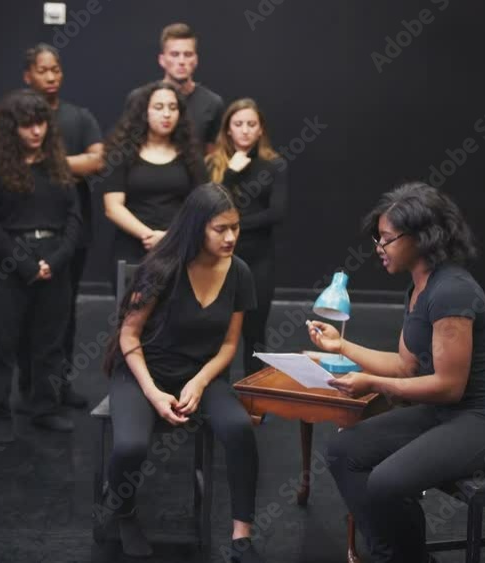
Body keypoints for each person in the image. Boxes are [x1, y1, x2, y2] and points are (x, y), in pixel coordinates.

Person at [312, 183, 485, 563]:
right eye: (378, 239)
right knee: (342, 450)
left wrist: (371, 383)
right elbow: (405, 367)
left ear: (421, 238)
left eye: (387, 239)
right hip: (450, 413)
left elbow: (449, 387)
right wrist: (341, 347)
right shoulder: (417, 287)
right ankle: (393, 557)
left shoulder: (452, 291)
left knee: (387, 481)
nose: (378, 248)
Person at [100, 184, 265, 562]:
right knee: (130, 446)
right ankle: (123, 511)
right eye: (220, 229)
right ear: (197, 228)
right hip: (143, 370)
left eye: (235, 228)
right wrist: (154, 392)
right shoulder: (162, 267)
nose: (230, 237)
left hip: (200, 373)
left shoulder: (239, 273)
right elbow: (128, 334)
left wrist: (201, 380)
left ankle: (242, 536)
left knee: (239, 429)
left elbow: (228, 345)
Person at [0, 90, 81, 437]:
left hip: (54, 260)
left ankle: (45, 408)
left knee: (50, 343)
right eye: (27, 125)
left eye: (41, 124)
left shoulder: (58, 165)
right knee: (1, 344)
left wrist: (56, 260)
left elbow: (74, 219)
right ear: (12, 128)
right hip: (8, 263)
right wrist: (24, 264)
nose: (36, 131)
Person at [22, 43, 103, 410]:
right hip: (24, 231)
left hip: (72, 232)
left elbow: (97, 160)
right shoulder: (15, 115)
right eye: (43, 70)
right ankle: (28, 388)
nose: (51, 76)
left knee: (64, 312)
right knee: (27, 311)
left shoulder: (79, 117)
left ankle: (59, 384)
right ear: (28, 76)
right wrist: (70, 164)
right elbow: (3, 162)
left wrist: (43, 163)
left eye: (56, 69)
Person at [206, 98, 288, 376]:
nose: (244, 130)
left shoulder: (274, 165)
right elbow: (210, 208)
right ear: (228, 129)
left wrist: (231, 226)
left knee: (254, 331)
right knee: (218, 331)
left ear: (260, 129)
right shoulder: (214, 164)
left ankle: (254, 399)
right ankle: (215, 394)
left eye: (251, 124)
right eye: (238, 124)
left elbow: (276, 213)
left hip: (259, 259)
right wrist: (229, 174)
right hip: (220, 260)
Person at [103, 80, 207, 287]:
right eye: (158, 107)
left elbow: (201, 206)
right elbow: (112, 207)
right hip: (132, 247)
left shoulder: (192, 156)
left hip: (179, 246)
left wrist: (170, 238)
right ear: (145, 112)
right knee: (132, 316)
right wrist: (149, 235)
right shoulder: (121, 153)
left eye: (173, 107)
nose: (167, 114)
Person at [125, 23, 224, 153]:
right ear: (162, 60)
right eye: (174, 54)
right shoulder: (139, 99)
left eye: (188, 54)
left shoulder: (212, 103)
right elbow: (128, 149)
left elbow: (213, 158)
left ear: (196, 60)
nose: (181, 61)